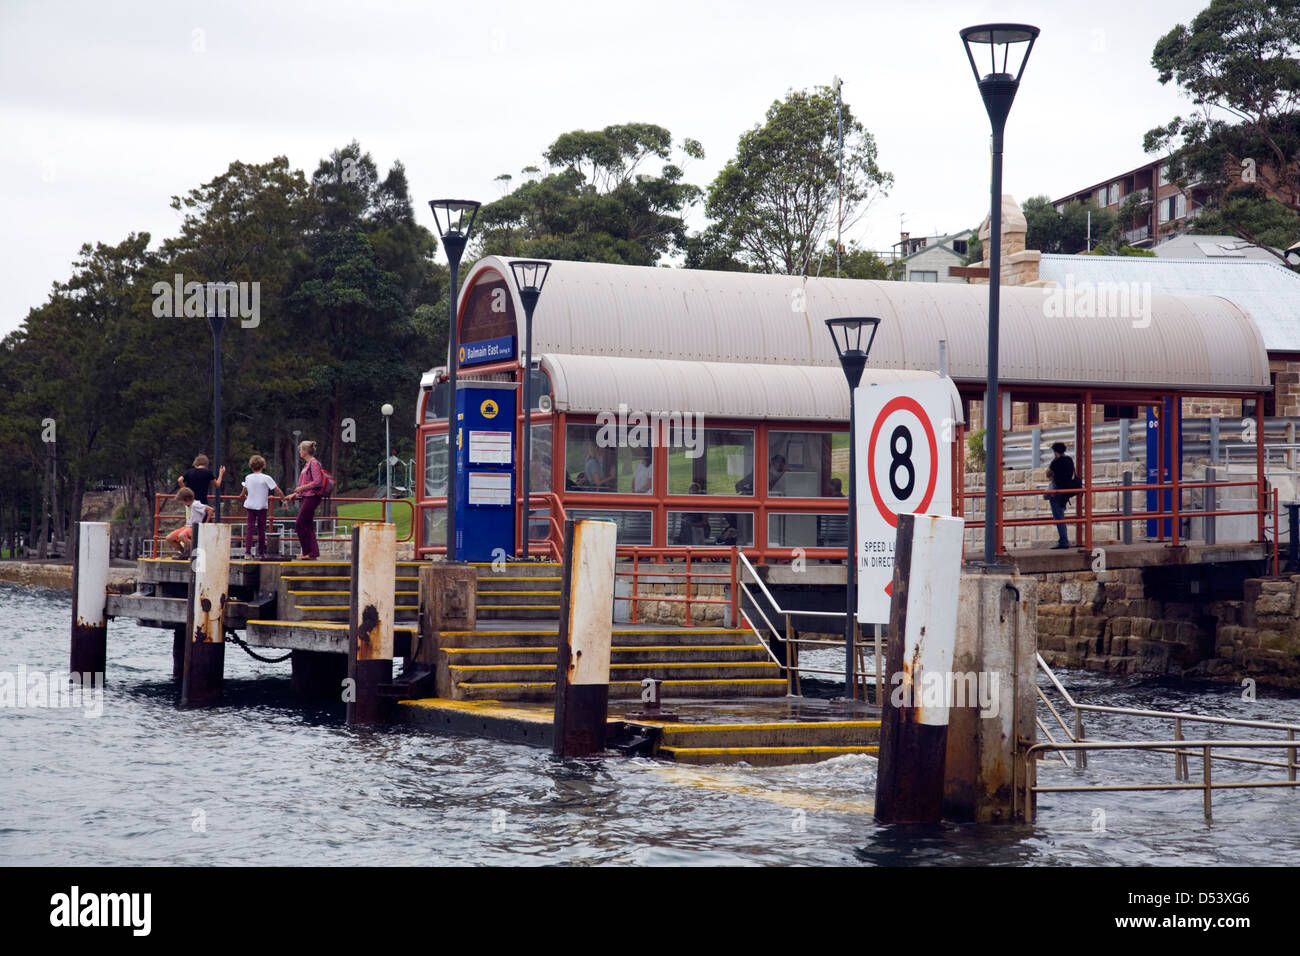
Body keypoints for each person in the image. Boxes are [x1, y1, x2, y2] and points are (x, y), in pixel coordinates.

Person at [238, 455, 285, 560]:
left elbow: (244, 489)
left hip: (250, 506)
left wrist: (242, 495)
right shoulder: (266, 478)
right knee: (261, 529)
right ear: (263, 466)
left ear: (251, 466)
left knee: (250, 529)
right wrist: (284, 500)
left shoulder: (248, 477)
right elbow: (277, 490)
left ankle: (248, 552)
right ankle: (261, 552)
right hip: (262, 506)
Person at [284, 440, 324, 560]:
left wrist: (301, 488)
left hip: (312, 497)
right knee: (307, 524)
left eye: (301, 450)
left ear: (306, 451)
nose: (299, 452)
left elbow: (317, 482)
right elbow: (305, 485)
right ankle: (311, 553)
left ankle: (310, 552)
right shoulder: (307, 464)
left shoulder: (314, 463)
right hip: (307, 497)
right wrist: (293, 495)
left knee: (300, 523)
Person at [1046, 441, 1079, 549]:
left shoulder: (1056, 462)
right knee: (1061, 516)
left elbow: (1048, 474)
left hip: (1058, 492)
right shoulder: (1069, 460)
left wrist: (1053, 462)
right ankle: (1063, 540)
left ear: (1055, 452)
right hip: (1067, 492)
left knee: (1058, 517)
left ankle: (1063, 541)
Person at [171, 486, 211, 558]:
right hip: (188, 526)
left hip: (194, 526)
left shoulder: (196, 504)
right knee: (169, 538)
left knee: (181, 535)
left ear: (186, 499)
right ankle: (185, 554)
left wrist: (205, 523)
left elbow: (210, 510)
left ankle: (196, 551)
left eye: (182, 501)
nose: (182, 503)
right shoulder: (192, 505)